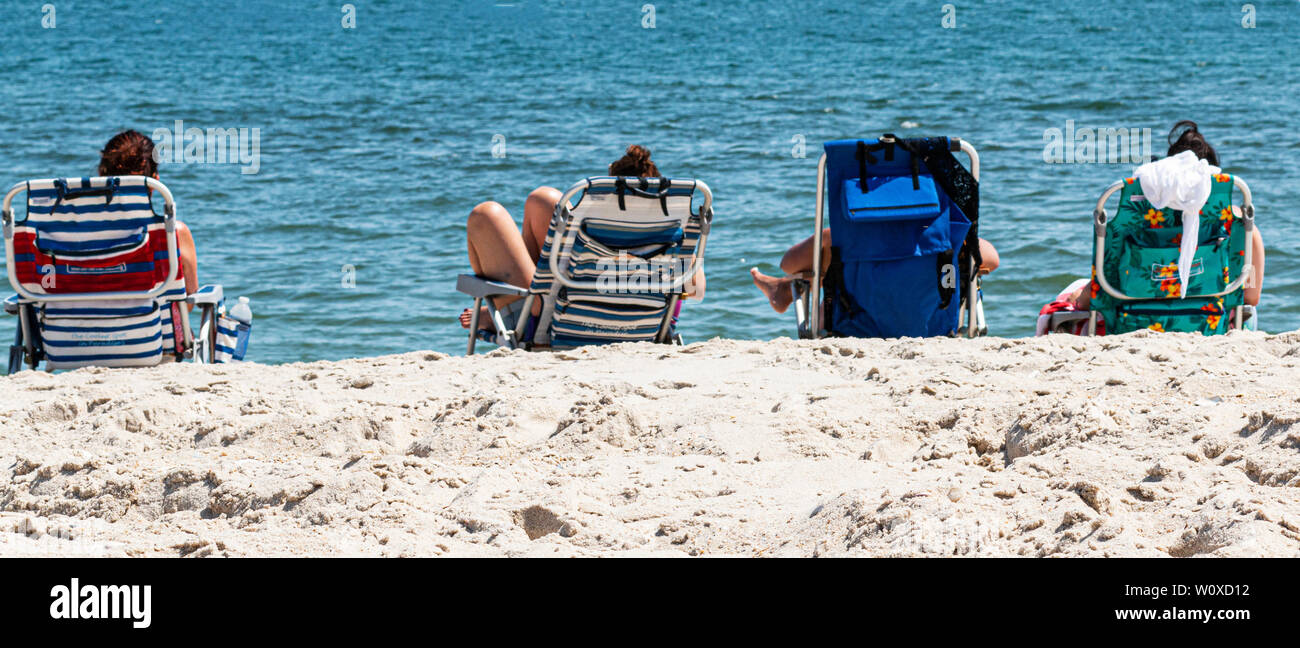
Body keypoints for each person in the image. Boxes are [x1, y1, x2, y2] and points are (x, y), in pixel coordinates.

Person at [459, 145, 705, 332]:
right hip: (647, 329)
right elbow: (697, 290)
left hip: (566, 326)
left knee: (492, 213)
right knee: (543, 202)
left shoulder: (595, 232)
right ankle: (510, 305)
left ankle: (508, 305)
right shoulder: (674, 236)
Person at [1066, 120, 1266, 310]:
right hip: (1211, 320)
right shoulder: (1240, 226)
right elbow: (1250, 297)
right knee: (1248, 313)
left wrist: (1079, 296)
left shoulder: (1137, 220)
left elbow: (1104, 289)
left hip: (1135, 318)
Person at [749, 229, 999, 314]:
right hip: (931, 317)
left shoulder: (841, 236)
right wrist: (961, 237)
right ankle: (784, 290)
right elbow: (992, 259)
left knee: (843, 259)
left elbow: (788, 264)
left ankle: (785, 289)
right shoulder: (945, 236)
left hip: (862, 318)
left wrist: (829, 237)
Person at [97, 130, 200, 300]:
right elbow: (187, 302)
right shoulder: (174, 234)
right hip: (158, 326)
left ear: (101, 177)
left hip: (78, 326)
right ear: (154, 182)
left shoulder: (65, 235)